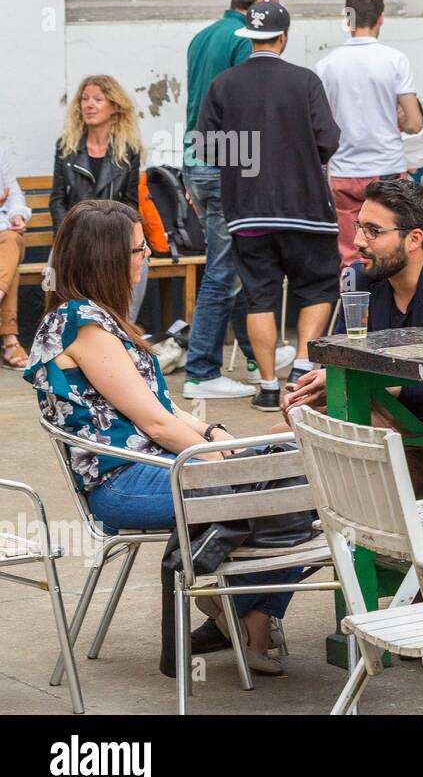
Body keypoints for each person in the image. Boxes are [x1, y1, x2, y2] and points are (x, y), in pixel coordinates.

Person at [25, 200, 298, 672]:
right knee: (284, 487)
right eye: (138, 248)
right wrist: (221, 458)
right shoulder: (83, 325)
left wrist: (215, 433)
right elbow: (154, 426)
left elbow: (163, 410)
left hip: (155, 466)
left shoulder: (102, 319)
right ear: (105, 258)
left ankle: (242, 611)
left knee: (294, 469)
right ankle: (242, 612)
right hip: (125, 482)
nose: (147, 255)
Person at [284, 179, 423, 478]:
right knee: (294, 431)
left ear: (413, 239)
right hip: (384, 411)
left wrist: (363, 380)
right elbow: (338, 358)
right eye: (359, 227)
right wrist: (317, 389)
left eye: (373, 231)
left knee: (358, 448)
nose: (359, 242)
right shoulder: (361, 278)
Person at [197, 0, 341, 410]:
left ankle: (267, 386)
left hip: (248, 213)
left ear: (249, 38)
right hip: (306, 210)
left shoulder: (223, 84)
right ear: (283, 37)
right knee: (316, 287)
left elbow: (208, 148)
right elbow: (328, 141)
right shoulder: (305, 81)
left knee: (259, 296)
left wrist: (248, 163)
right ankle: (300, 369)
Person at [182, 0, 297, 401]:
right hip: (229, 164)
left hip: (196, 161)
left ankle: (255, 353)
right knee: (225, 271)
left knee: (238, 262)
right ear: (264, 4)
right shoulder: (242, 42)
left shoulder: (203, 36)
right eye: (277, 2)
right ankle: (201, 370)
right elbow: (247, 106)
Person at [315, 0, 423, 267]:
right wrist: (393, 119)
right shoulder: (395, 60)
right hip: (386, 168)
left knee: (351, 253)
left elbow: (321, 125)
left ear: (347, 19)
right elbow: (414, 123)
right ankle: (392, 310)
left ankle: (355, 309)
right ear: (381, 19)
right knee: (392, 249)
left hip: (343, 171)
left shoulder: (326, 65)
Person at [51, 75, 147, 321]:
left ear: (114, 106)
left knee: (139, 259)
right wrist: (68, 236)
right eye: (84, 99)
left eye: (97, 99)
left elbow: (130, 204)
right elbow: (57, 200)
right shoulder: (66, 147)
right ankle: (62, 329)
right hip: (76, 234)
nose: (88, 105)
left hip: (113, 234)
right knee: (54, 264)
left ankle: (124, 328)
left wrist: (121, 237)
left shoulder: (128, 151)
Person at [0, 143, 31, 369]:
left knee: (12, 240)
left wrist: (17, 215)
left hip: (3, 234)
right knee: (11, 269)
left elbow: (15, 194)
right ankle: (10, 340)